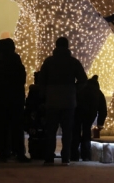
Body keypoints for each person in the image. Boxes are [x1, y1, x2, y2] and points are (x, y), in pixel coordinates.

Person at [36, 36, 88, 165]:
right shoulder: (73, 62)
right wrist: (74, 89)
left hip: (52, 99)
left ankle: (49, 157)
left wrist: (44, 94)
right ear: (68, 46)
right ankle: (66, 157)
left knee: (51, 130)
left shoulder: (49, 62)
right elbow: (83, 79)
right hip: (69, 99)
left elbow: (41, 80)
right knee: (67, 131)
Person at [71, 74, 107, 162]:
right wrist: (100, 124)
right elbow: (103, 109)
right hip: (90, 114)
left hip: (77, 111)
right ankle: (85, 155)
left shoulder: (79, 88)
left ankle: (73, 155)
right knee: (86, 132)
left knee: (75, 132)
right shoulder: (98, 92)